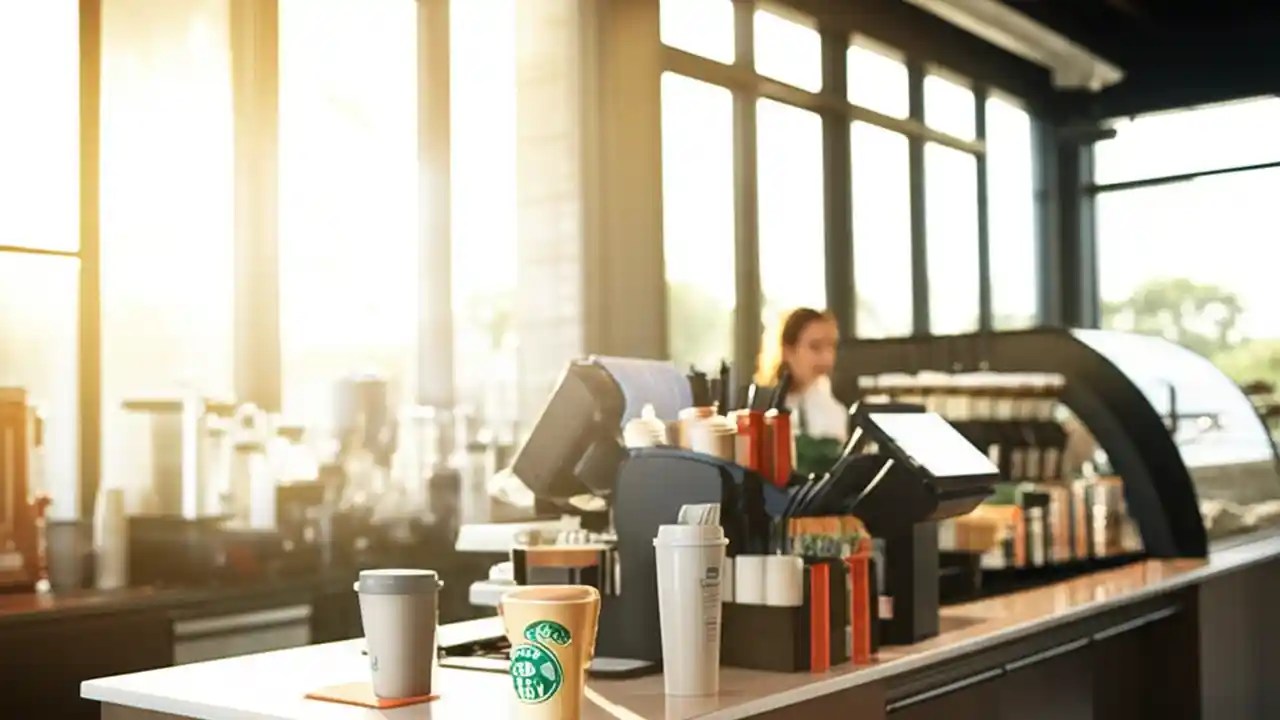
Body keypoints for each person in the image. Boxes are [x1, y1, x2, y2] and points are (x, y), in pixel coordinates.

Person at [755, 308, 849, 444]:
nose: (827, 358)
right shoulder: (761, 406)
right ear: (787, 351)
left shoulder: (835, 406)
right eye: (815, 347)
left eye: (832, 346)